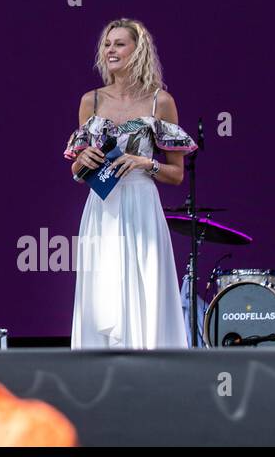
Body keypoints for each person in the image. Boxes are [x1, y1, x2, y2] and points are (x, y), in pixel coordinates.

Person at [64, 18, 195, 349]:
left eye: (119, 43)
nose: (111, 50)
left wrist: (144, 163)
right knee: (101, 292)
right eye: (107, 44)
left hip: (141, 204)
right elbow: (77, 172)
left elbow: (176, 174)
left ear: (139, 51)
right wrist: (84, 161)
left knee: (143, 288)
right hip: (102, 208)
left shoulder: (159, 102)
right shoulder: (90, 101)